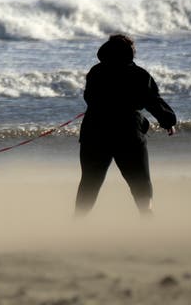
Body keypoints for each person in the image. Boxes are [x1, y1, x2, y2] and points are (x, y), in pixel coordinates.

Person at [75, 33, 176, 216]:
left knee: (90, 181)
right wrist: (168, 121)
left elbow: (89, 98)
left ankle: (77, 222)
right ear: (130, 53)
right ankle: (147, 218)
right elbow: (152, 100)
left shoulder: (96, 72)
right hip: (128, 132)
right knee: (140, 181)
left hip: (95, 131)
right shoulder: (139, 75)